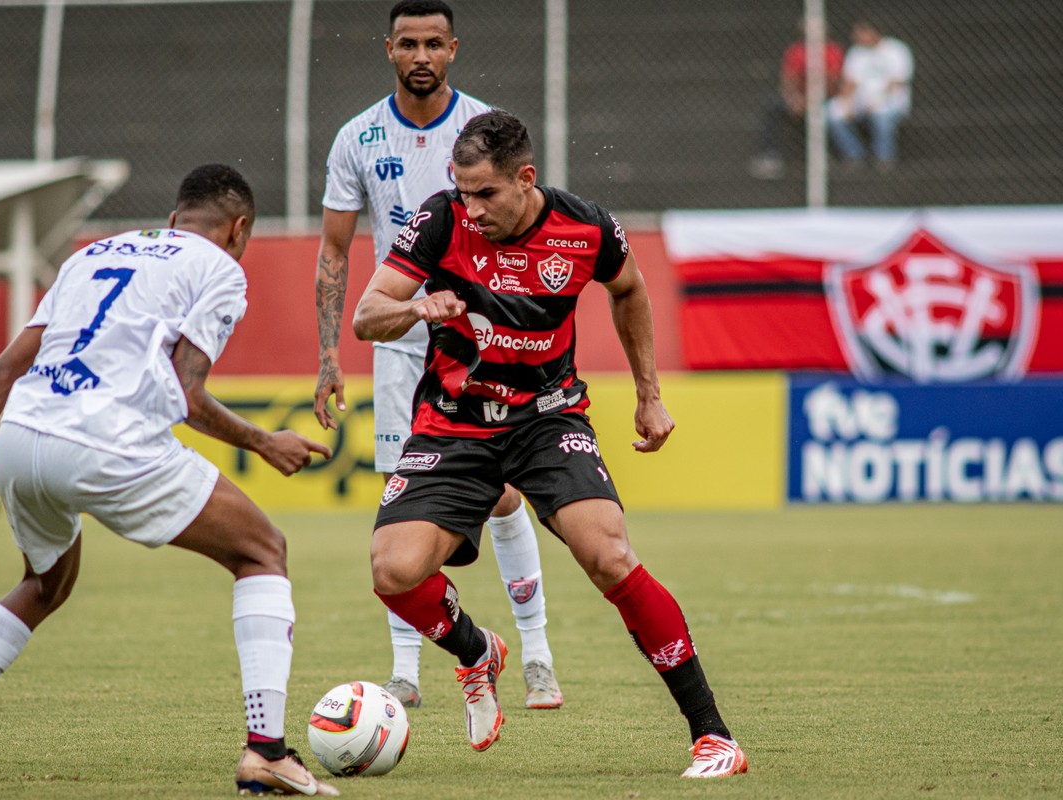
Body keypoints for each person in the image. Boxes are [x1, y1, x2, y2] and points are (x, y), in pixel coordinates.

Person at [0, 164, 339, 797]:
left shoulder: (90, 255)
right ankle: (265, 750)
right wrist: (265, 441)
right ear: (239, 229)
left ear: (175, 218)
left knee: (44, 584)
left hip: (18, 442)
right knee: (262, 551)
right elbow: (186, 391)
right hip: (109, 442)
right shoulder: (219, 269)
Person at [351, 109, 748, 776]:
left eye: (485, 193)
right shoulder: (440, 220)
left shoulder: (586, 226)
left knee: (611, 556)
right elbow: (367, 316)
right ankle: (478, 652)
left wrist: (649, 393)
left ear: (525, 179)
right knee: (393, 573)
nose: (470, 207)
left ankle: (713, 736)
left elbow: (629, 288)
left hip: (547, 418)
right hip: (454, 423)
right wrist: (417, 308)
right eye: (461, 188)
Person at [314, 0, 563, 711]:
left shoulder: (484, 128)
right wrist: (329, 357)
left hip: (484, 338)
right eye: (406, 44)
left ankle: (537, 653)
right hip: (397, 341)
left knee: (506, 493)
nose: (420, 55)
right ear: (387, 49)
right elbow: (335, 253)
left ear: (452, 48)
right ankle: (405, 672)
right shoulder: (357, 136)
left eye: (432, 43)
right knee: (401, 504)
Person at [749, 18, 845, 180]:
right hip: (800, 98)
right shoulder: (796, 51)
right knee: (772, 105)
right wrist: (794, 99)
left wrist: (811, 99)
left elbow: (833, 81)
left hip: (826, 97)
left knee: (827, 110)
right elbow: (788, 79)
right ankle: (770, 156)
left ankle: (824, 155)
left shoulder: (833, 51)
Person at [827, 20, 914, 170]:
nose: (856, 37)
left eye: (860, 33)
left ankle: (884, 158)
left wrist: (876, 100)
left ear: (873, 32)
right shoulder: (856, 52)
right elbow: (850, 82)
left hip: (889, 99)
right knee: (832, 112)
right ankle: (854, 155)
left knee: (882, 114)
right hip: (861, 101)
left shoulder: (896, 49)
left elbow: (898, 81)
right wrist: (847, 103)